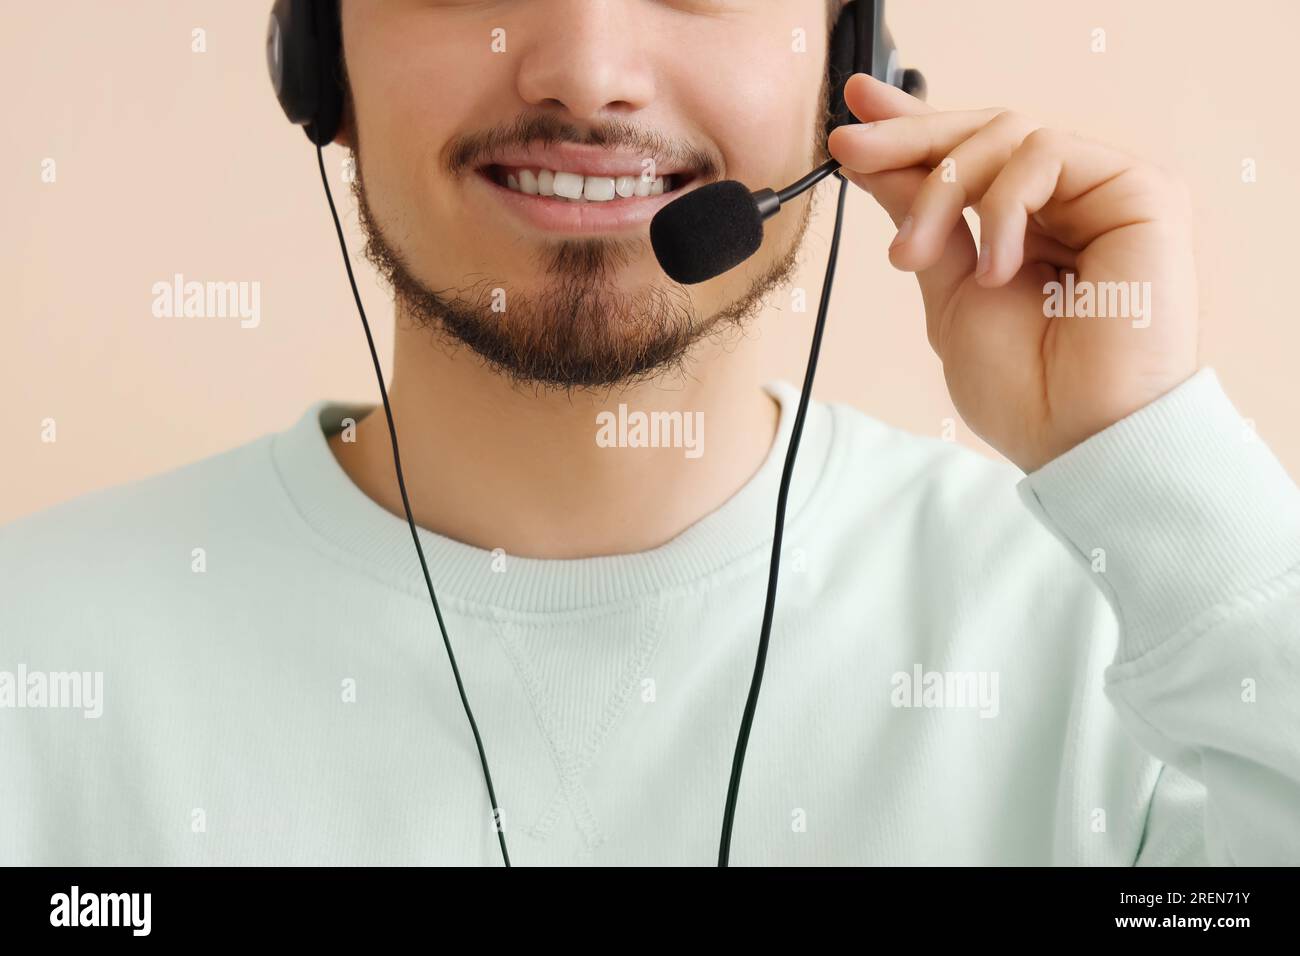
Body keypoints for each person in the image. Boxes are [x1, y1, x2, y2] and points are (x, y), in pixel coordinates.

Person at [1, 0, 1296, 866]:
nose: (586, 70)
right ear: (317, 63)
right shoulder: (40, 655)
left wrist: (1147, 450)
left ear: (857, 62)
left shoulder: (1135, 640)